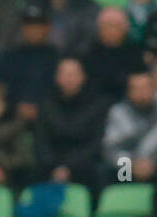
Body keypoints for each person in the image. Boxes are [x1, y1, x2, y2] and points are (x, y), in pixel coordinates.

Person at [34, 57, 108, 187]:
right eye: (64, 73)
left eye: (73, 74)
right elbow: (41, 141)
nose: (69, 78)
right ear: (57, 77)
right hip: (50, 166)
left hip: (85, 166)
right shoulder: (46, 105)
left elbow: (97, 142)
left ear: (83, 77)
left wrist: (69, 167)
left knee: (103, 172)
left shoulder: (98, 105)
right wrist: (55, 167)